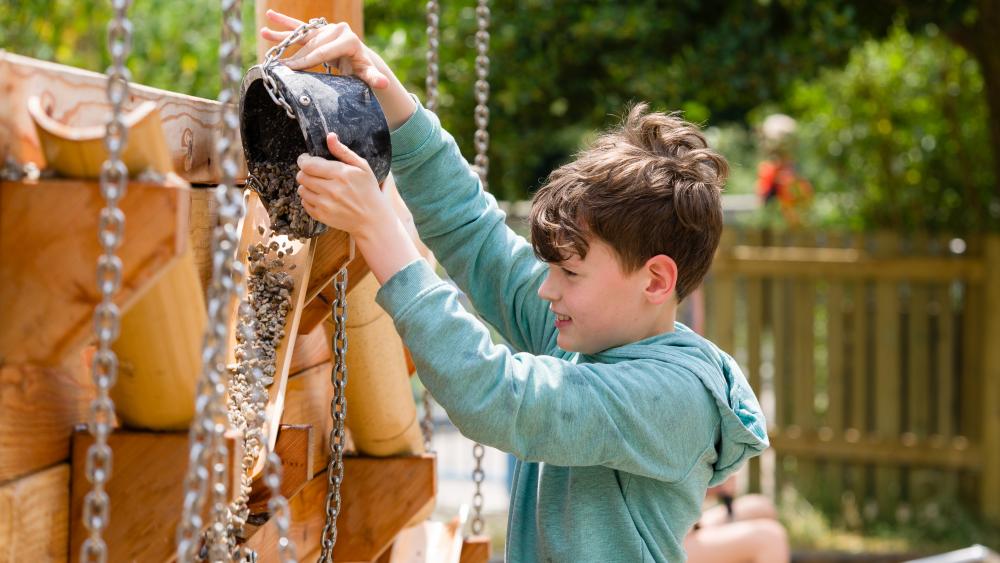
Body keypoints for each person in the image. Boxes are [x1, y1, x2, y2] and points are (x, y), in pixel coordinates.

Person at [261, 11, 768, 562]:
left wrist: (378, 229)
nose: (547, 290)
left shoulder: (672, 397)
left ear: (655, 280)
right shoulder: (590, 332)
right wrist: (386, 93)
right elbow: (473, 231)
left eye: (570, 272)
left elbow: (497, 396)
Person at [684, 476, 790, 563]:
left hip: (689, 524)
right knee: (771, 539)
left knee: (762, 507)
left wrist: (712, 484)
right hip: (676, 542)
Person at [755, 114, 813, 227]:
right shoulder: (769, 169)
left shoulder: (793, 169)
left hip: (792, 221)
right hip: (777, 223)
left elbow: (804, 199)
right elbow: (763, 199)